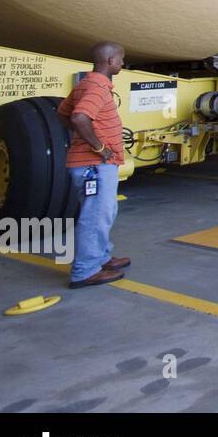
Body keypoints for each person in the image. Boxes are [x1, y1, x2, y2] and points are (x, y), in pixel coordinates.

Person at [56, 41, 131, 288]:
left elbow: (63, 113)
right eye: (120, 59)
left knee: (104, 212)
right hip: (94, 165)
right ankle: (85, 271)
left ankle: (101, 257)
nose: (122, 63)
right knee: (95, 216)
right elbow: (78, 117)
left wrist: (87, 135)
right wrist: (98, 146)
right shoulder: (98, 86)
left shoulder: (86, 83)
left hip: (90, 164)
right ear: (110, 61)